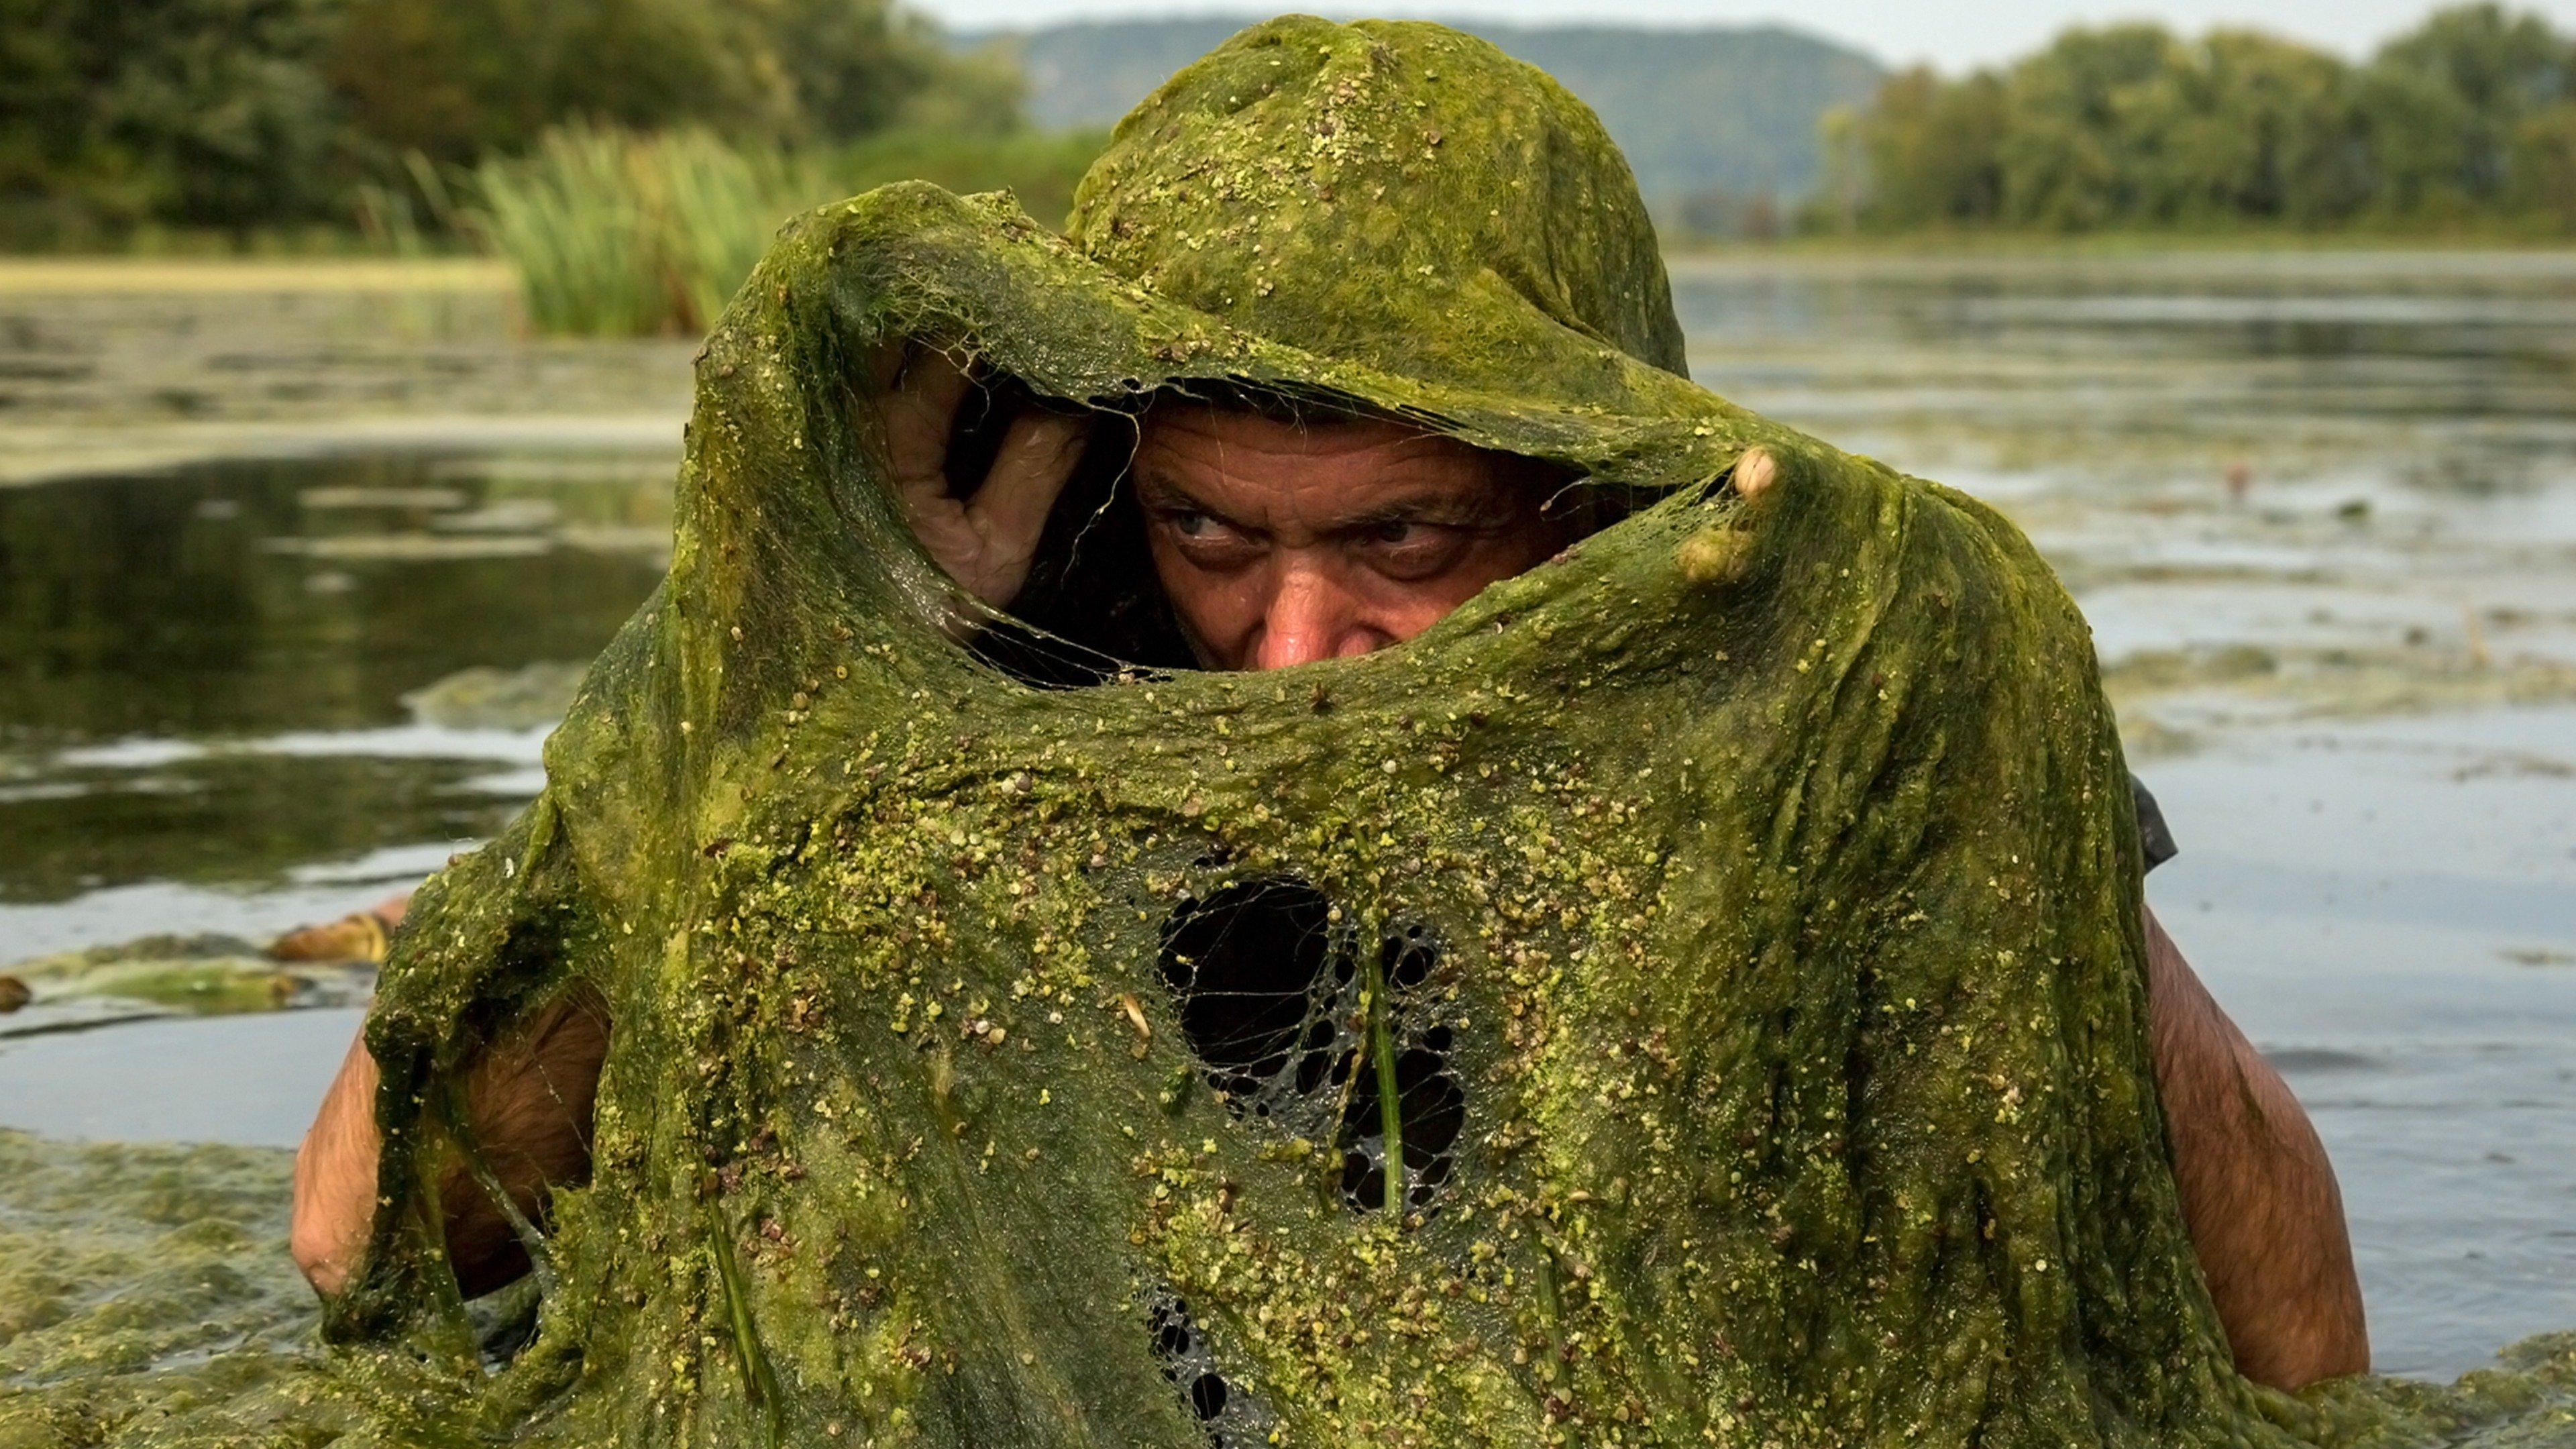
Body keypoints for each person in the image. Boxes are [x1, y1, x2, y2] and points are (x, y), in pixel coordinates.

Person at [288, 22, 2374, 1437]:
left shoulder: (1806, 704)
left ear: (1586, 479)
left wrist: (2028, 819)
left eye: (1402, 536)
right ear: (1107, 479)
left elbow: (2292, 1354)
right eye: (1211, 530)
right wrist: (794, 654)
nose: (1297, 645)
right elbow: (362, 1237)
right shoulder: (978, 680)